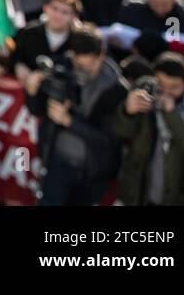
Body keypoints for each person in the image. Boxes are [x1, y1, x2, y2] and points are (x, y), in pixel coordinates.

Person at [26, 23, 126, 205]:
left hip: (93, 173)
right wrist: (32, 91)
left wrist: (69, 121)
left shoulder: (116, 90)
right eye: (77, 64)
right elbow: (36, 109)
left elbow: (108, 141)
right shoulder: (61, 70)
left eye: (87, 67)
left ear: (100, 57)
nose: (81, 71)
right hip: (57, 165)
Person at [112, 52, 184, 205]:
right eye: (162, 86)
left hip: (177, 194)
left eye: (174, 87)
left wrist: (171, 114)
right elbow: (121, 132)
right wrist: (127, 111)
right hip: (138, 190)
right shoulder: (145, 89)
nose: (166, 93)